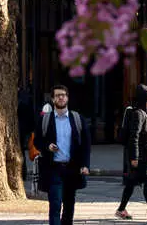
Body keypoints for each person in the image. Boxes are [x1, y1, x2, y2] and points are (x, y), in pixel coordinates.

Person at [34, 85, 90, 225]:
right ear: (53, 99)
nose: (61, 97)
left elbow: (85, 145)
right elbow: (37, 141)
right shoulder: (45, 120)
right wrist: (47, 147)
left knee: (69, 206)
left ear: (67, 98)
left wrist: (85, 165)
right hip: (54, 169)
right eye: (58, 95)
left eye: (63, 95)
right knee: (55, 204)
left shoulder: (77, 119)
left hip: (72, 168)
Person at [115, 84, 147, 222]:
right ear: (144, 97)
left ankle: (121, 210)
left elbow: (145, 137)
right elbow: (134, 137)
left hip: (144, 154)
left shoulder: (145, 113)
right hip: (139, 156)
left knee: (132, 182)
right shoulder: (138, 114)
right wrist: (134, 157)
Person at [17, 85, 35, 180]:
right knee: (20, 150)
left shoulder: (25, 97)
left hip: (21, 128)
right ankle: (21, 173)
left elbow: (30, 114)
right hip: (21, 127)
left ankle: (22, 173)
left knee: (20, 150)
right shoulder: (25, 97)